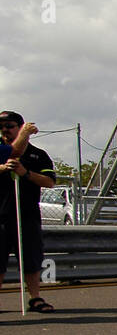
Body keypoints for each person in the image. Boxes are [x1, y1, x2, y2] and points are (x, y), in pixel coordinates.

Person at [0, 111, 57, 313]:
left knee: (31, 259)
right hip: (1, 215)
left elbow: (49, 182)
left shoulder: (38, 155)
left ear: (20, 126)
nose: (5, 130)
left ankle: (35, 297)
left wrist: (26, 173)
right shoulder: (3, 151)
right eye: (2, 126)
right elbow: (12, 153)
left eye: (10, 125)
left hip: (27, 214)